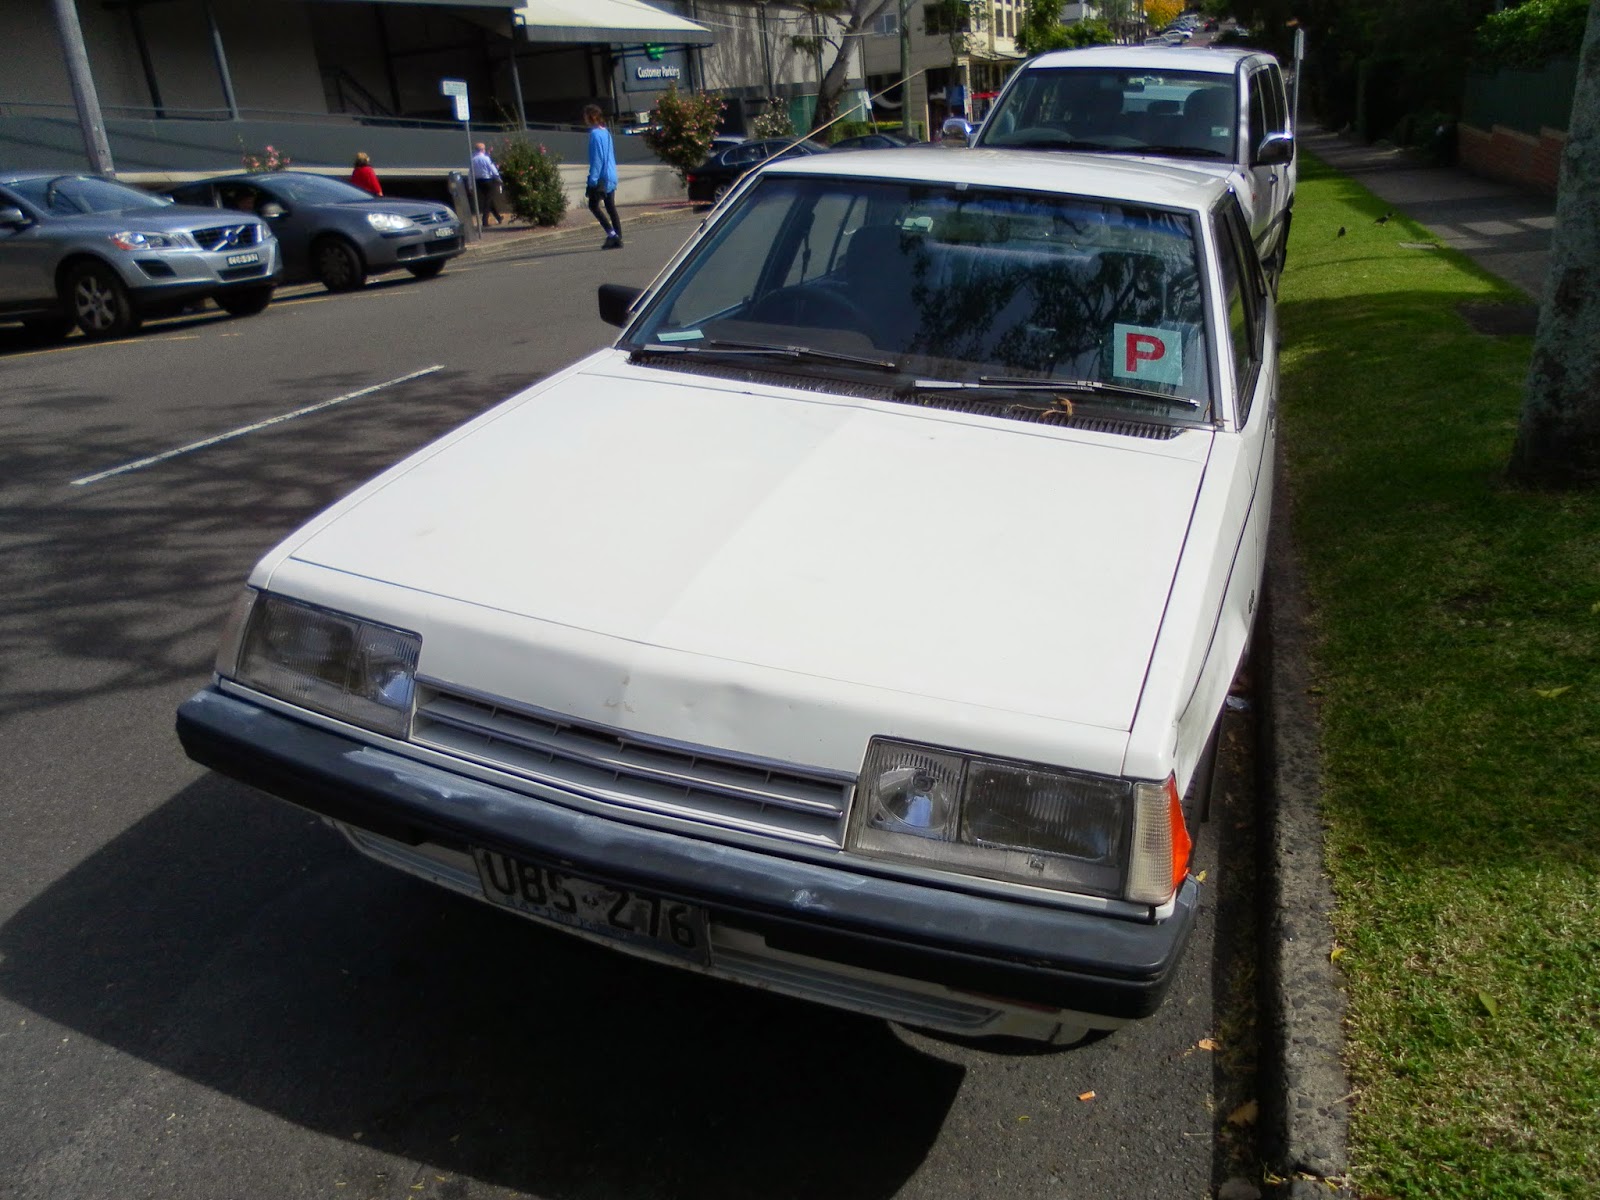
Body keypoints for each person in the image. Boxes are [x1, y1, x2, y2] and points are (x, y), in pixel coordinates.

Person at [583, 103, 621, 249]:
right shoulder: (606, 132)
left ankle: (612, 234)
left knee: (593, 206)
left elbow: (597, 159)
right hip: (611, 174)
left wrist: (592, 180)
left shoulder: (594, 134)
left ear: (590, 117)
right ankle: (618, 236)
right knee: (610, 206)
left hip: (601, 177)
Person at [470, 142, 505, 226]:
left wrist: (470, 184)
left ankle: (498, 217)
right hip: (487, 180)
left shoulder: (473, 160)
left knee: (489, 198)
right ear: (482, 149)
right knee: (488, 200)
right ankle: (484, 220)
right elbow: (493, 169)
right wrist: (498, 178)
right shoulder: (486, 158)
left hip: (478, 181)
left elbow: (470, 173)